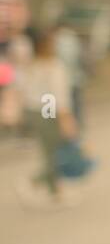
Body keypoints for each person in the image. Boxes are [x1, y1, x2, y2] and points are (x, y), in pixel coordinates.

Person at [16, 30, 79, 207]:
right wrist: (65, 119)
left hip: (34, 109)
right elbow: (58, 95)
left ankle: (55, 192)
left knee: (50, 151)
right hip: (47, 108)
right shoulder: (54, 66)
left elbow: (24, 90)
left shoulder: (32, 65)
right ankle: (33, 182)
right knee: (54, 153)